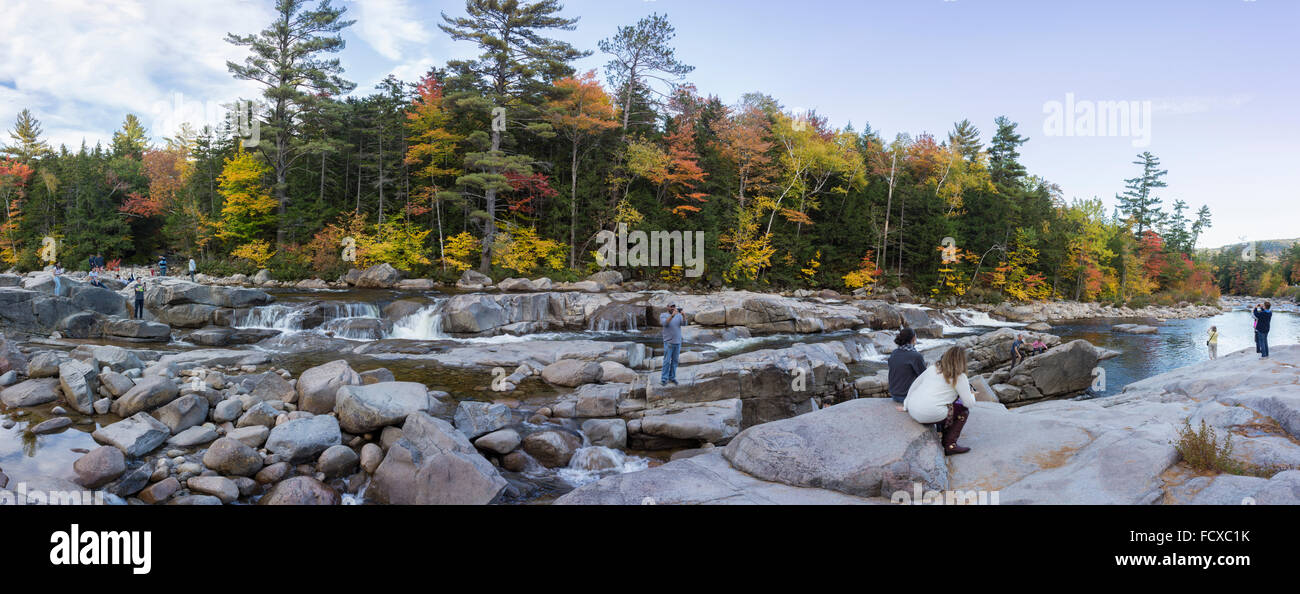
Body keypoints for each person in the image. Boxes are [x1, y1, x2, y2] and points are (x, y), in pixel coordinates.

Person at [903, 346, 976, 456]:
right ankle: (950, 445)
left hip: (913, 409)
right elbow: (969, 403)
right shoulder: (959, 376)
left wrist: (906, 405)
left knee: (949, 402)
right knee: (963, 410)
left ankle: (942, 431)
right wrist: (972, 393)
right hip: (928, 414)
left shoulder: (933, 368)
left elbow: (914, 386)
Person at [887, 327, 926, 411]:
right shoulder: (916, 356)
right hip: (906, 397)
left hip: (894, 395)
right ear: (914, 338)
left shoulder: (894, 353)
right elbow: (924, 376)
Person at [659, 304, 685, 386]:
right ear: (667, 307)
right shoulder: (663, 315)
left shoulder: (678, 315)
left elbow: (684, 324)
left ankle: (672, 377)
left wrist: (684, 316)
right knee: (666, 361)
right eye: (671, 306)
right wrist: (672, 316)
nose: (673, 308)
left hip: (678, 342)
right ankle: (664, 379)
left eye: (674, 306)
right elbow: (664, 324)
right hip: (668, 342)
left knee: (675, 361)